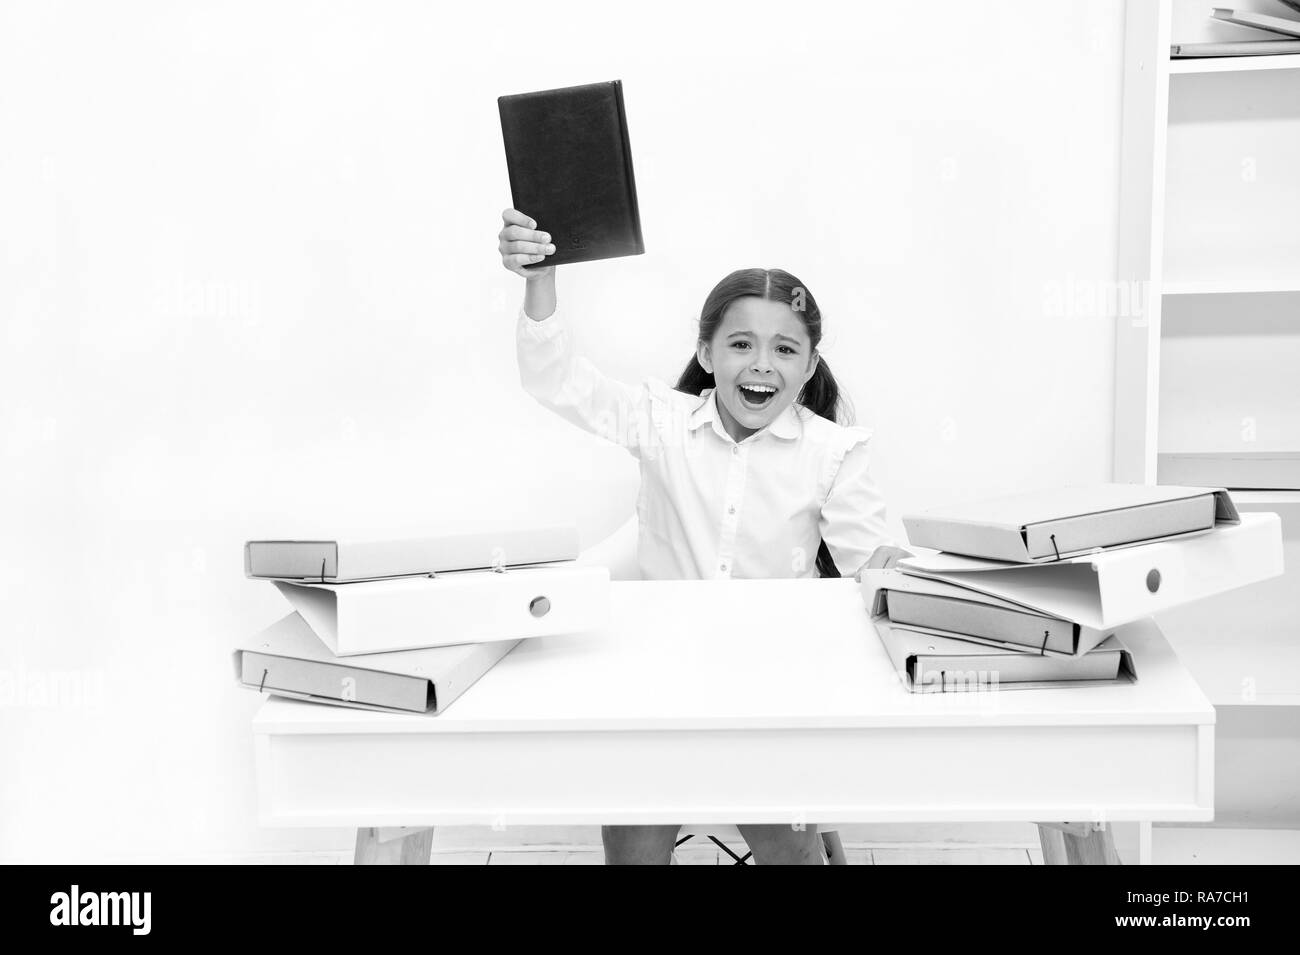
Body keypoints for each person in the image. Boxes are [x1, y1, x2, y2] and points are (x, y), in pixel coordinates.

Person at [498, 208, 910, 864]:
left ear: (808, 366)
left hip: (776, 686)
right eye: (741, 343)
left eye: (785, 348)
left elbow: (874, 564)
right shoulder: (661, 421)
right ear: (706, 351)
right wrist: (540, 281)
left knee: (791, 850)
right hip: (656, 684)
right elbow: (557, 379)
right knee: (634, 846)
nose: (762, 365)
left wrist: (917, 571)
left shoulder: (832, 452)